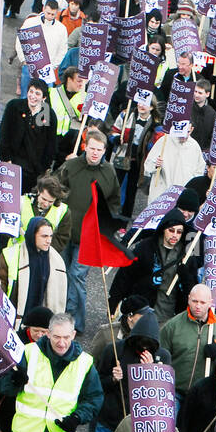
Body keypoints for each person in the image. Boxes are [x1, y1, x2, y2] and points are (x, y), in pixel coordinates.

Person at [0, 312, 103, 432]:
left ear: (74, 334)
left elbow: (94, 399)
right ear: (48, 334)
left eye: (66, 337)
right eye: (56, 337)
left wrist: (77, 417)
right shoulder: (28, 352)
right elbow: (4, 388)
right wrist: (14, 381)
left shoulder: (85, 363)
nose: (62, 343)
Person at [90, 309, 172, 432]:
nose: (144, 347)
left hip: (138, 431)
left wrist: (152, 373)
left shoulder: (163, 357)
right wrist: (112, 378)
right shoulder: (114, 350)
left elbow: (163, 398)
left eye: (149, 344)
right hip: (109, 424)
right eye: (140, 342)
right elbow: (96, 385)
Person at [58, 128, 120, 334]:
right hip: (66, 231)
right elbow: (56, 186)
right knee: (63, 274)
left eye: (99, 150)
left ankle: (76, 322)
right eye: (92, 148)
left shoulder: (109, 172)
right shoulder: (72, 165)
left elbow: (114, 203)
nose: (95, 153)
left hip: (89, 236)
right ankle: (63, 316)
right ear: (85, 146)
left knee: (76, 275)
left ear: (104, 151)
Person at [159, 284, 216, 400]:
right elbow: (160, 357)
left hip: (204, 396)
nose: (198, 306)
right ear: (188, 299)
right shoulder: (173, 325)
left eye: (202, 303)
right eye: (194, 301)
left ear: (210, 302)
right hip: (174, 391)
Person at [6, 218, 69, 323]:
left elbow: (59, 298)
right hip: (13, 319)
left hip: (41, 325)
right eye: (44, 236)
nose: (49, 240)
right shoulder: (12, 255)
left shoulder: (57, 261)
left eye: (50, 236)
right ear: (32, 235)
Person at [0, 79, 57, 193]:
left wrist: (43, 168)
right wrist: (6, 159)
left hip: (33, 171)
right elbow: (4, 135)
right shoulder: (14, 107)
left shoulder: (48, 114)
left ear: (44, 98)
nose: (33, 96)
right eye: (31, 91)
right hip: (12, 164)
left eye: (37, 93)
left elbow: (51, 144)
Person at [17, 0, 68, 97]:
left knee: (44, 98)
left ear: (57, 12)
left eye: (53, 14)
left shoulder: (61, 29)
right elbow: (20, 41)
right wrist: (23, 59)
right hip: (29, 65)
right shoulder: (30, 22)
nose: (50, 16)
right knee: (24, 96)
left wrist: (53, 66)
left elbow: (63, 50)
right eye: (48, 13)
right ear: (43, 9)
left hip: (47, 70)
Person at [144, 122, 205, 202]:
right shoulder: (164, 141)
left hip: (182, 194)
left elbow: (199, 172)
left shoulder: (194, 146)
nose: (184, 136)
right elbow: (148, 165)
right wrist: (156, 164)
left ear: (192, 129)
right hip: (161, 192)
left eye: (187, 132)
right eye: (181, 133)